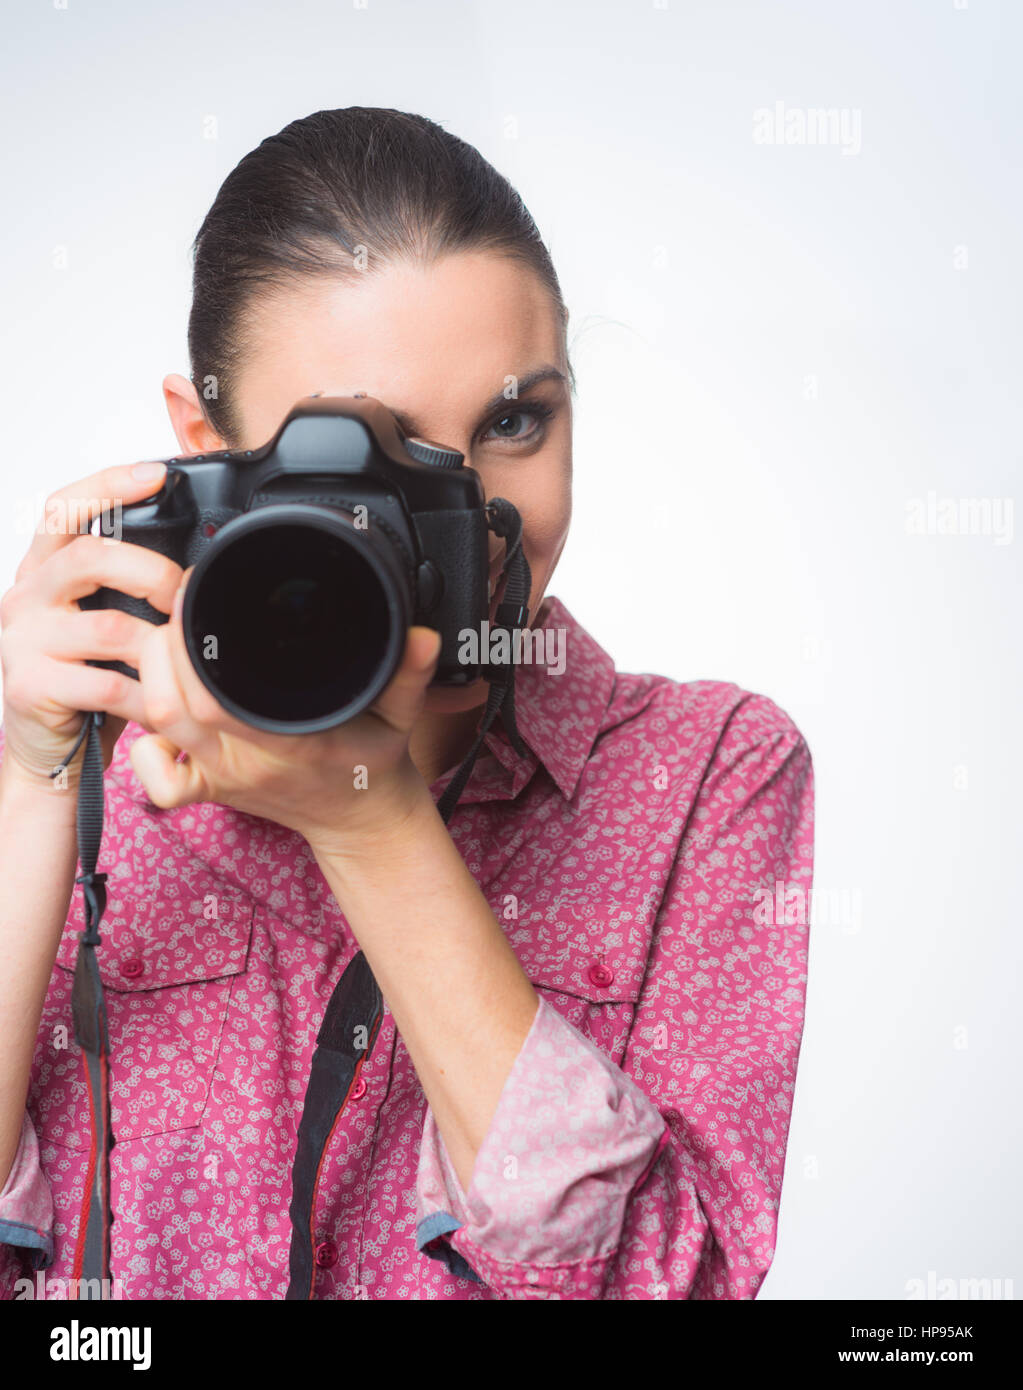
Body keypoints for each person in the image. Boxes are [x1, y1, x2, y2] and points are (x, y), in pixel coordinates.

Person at [0, 107, 814, 1300]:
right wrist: (30, 792)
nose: (461, 517)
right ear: (202, 445)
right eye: (372, 456)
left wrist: (372, 823)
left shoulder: (711, 775)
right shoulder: (80, 751)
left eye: (512, 422)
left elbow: (673, 1288)